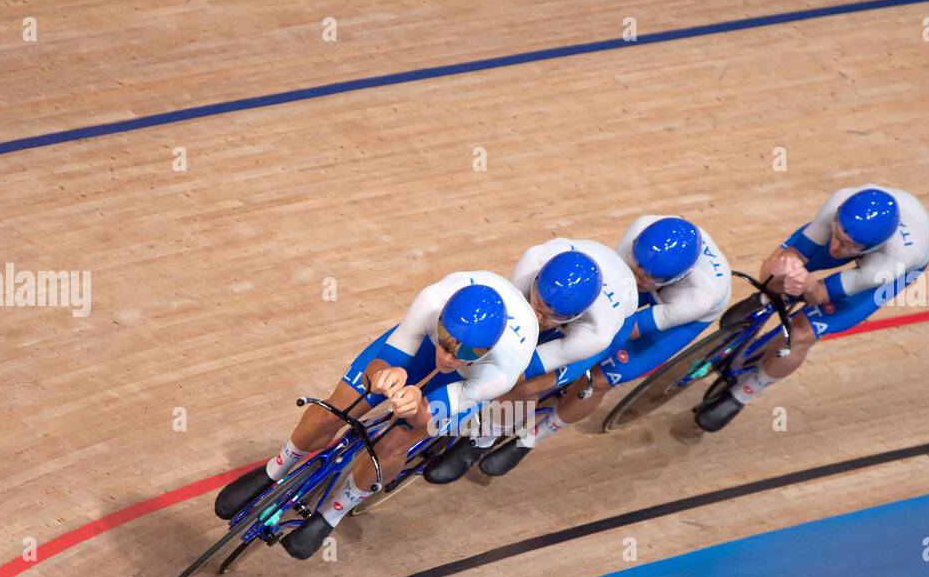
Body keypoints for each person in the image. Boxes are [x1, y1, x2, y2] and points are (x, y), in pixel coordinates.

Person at [213, 272, 537, 558]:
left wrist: (417, 406)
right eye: (447, 343)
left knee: (397, 442)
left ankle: (332, 513)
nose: (449, 357)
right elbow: (379, 364)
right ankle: (276, 467)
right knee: (337, 409)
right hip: (421, 342)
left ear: (487, 350)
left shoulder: (501, 370)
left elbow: (428, 423)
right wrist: (385, 374)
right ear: (441, 321)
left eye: (465, 353)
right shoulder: (432, 301)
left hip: (466, 383)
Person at [477, 215, 730, 476]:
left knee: (598, 379)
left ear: (680, 275)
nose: (638, 274)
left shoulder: (698, 297)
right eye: (636, 262)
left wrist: (578, 359)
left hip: (680, 317)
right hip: (628, 296)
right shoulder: (641, 231)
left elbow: (625, 330)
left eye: (648, 276)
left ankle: (531, 438)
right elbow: (618, 291)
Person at [694, 185, 929, 432]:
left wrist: (806, 283)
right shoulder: (838, 203)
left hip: (887, 271)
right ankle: (766, 300)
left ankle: (744, 392)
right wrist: (787, 271)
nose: (836, 248)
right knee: (777, 270)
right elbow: (788, 255)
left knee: (800, 334)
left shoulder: (891, 263)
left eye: (847, 245)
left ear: (872, 247)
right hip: (858, 234)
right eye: (837, 234)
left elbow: (820, 294)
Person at [421, 239, 635, 483]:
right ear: (536, 281)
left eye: (550, 316)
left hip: (610, 330)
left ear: (576, 315)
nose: (537, 316)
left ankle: (490, 440)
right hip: (574, 282)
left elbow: (522, 368)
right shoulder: (533, 261)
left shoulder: (596, 332)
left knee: (524, 384)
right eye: (538, 303)